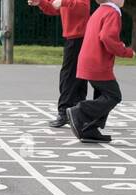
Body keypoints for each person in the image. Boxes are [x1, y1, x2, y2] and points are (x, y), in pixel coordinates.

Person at [65, 0, 132, 143]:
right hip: (98, 63)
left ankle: (90, 129)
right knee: (113, 96)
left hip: (87, 60)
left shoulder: (99, 11)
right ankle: (80, 112)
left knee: (102, 95)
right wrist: (125, 51)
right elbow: (107, 37)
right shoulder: (112, 12)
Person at [29, 0, 92, 128]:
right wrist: (40, 3)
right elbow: (54, 8)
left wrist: (63, 2)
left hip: (80, 36)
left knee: (69, 76)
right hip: (73, 37)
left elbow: (83, 8)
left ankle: (65, 113)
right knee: (76, 76)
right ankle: (77, 113)